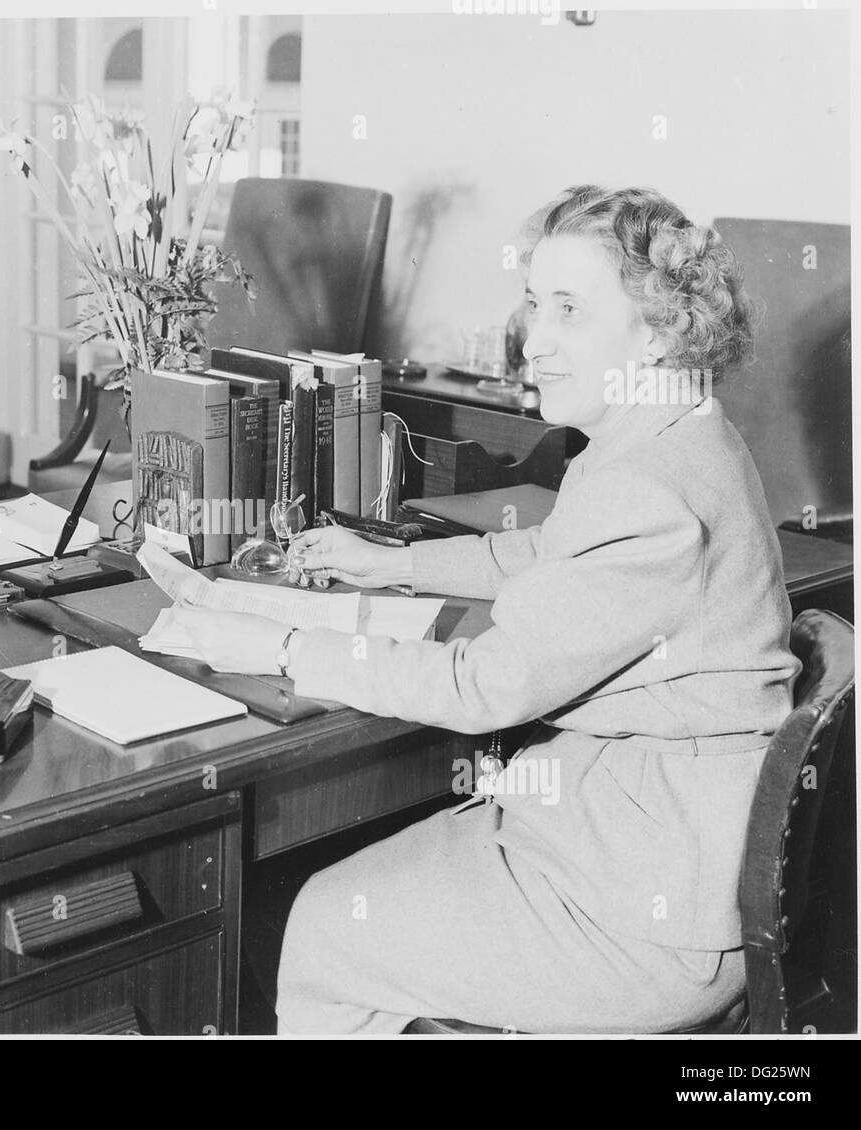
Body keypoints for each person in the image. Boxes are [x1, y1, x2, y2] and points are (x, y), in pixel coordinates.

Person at [166, 185, 800, 1034]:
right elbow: (548, 554)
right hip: (646, 842)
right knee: (327, 886)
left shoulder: (647, 487)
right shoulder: (674, 432)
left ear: (656, 331)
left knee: (318, 922)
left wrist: (280, 642)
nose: (533, 342)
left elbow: (482, 688)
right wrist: (390, 562)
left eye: (570, 311)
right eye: (536, 305)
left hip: (645, 914)